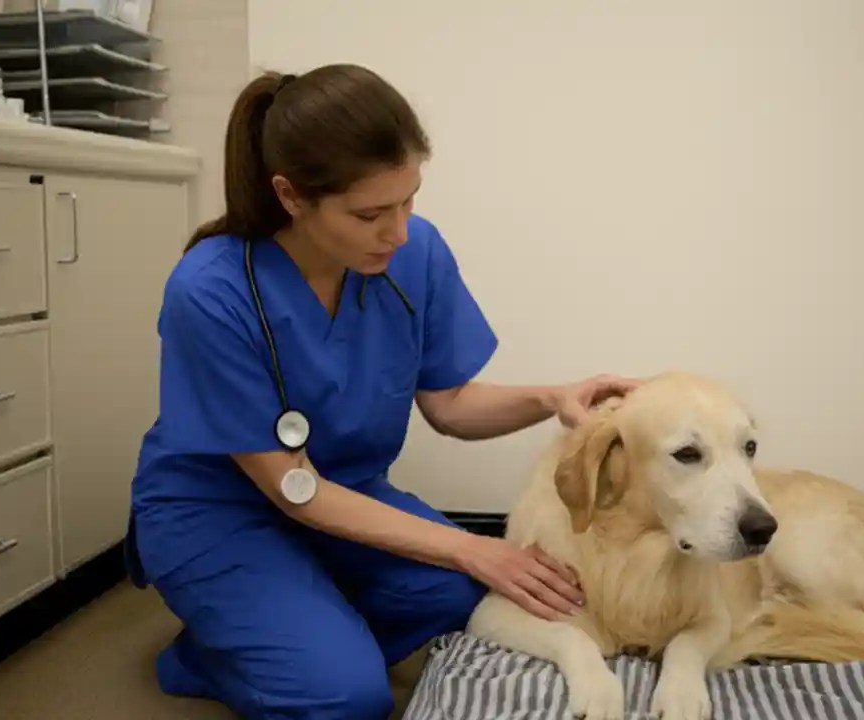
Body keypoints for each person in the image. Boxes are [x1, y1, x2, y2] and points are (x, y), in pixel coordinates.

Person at [125, 63, 640, 720]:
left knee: (473, 597)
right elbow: (294, 488)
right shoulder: (211, 292)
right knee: (347, 695)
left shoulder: (411, 253)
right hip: (221, 514)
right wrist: (469, 544)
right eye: (370, 213)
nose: (397, 232)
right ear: (290, 195)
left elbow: (449, 405)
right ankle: (211, 651)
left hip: (349, 498)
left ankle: (300, 616)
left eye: (409, 200)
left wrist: (554, 398)